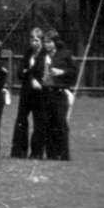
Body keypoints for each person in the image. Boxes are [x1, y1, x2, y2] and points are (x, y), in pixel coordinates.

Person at [11, 28, 47, 159]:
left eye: (37, 40)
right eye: (31, 39)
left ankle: (36, 152)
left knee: (39, 122)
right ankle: (19, 151)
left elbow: (42, 73)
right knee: (21, 120)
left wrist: (28, 72)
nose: (34, 42)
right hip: (26, 92)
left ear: (42, 40)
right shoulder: (28, 53)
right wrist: (30, 75)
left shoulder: (45, 55)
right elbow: (20, 72)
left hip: (40, 93)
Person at [38, 30, 74, 161]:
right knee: (48, 124)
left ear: (55, 42)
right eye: (45, 42)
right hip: (46, 93)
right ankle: (51, 154)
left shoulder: (65, 55)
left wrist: (61, 72)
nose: (46, 45)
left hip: (59, 93)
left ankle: (64, 154)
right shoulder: (42, 56)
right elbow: (35, 70)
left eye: (49, 42)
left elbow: (74, 71)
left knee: (61, 123)